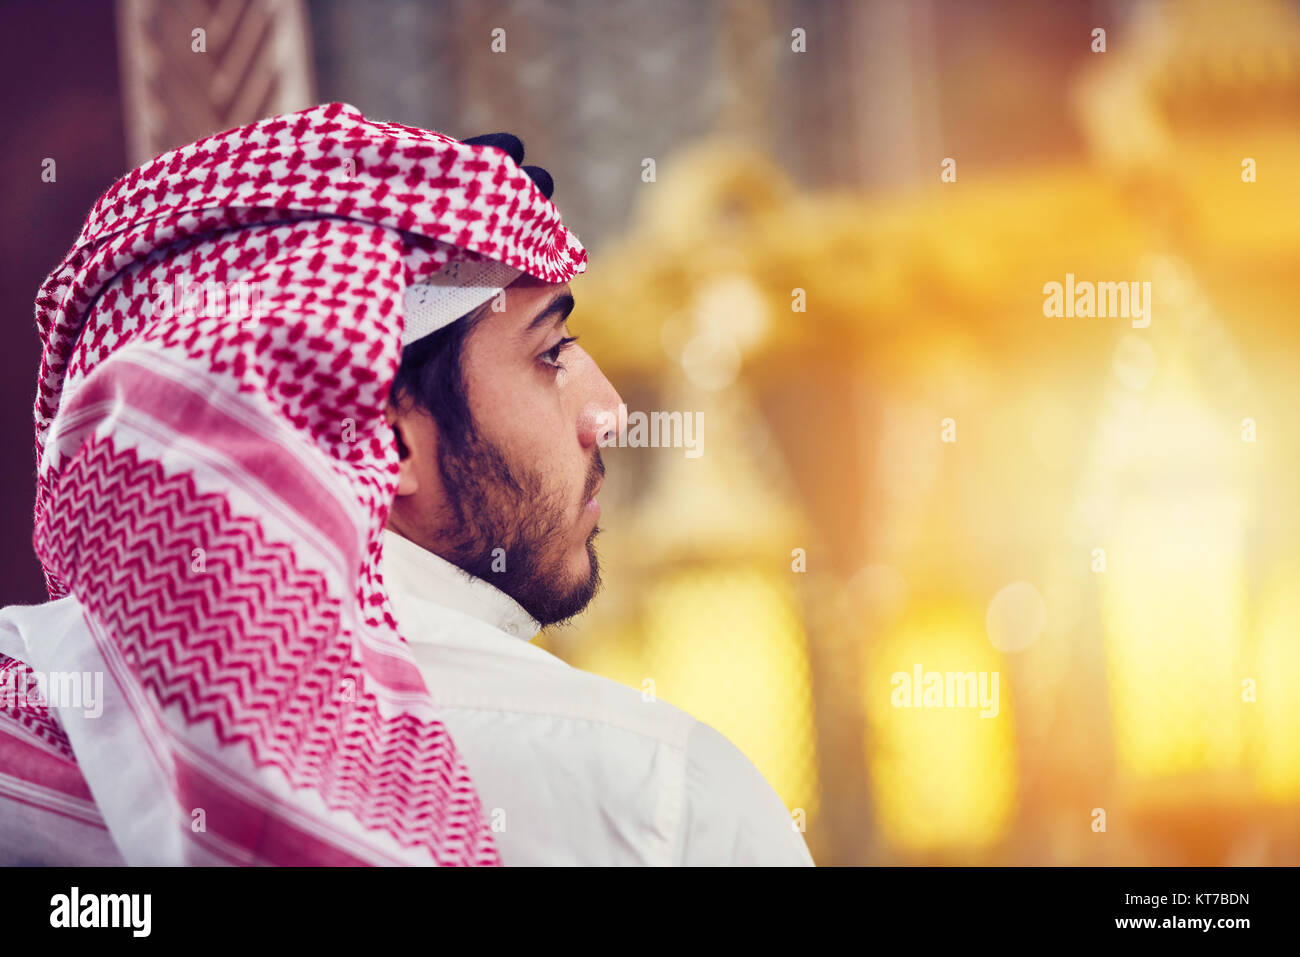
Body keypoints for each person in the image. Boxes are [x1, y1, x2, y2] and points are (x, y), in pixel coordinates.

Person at [0, 104, 813, 866]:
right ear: (387, 440)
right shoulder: (664, 800)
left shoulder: (29, 746)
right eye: (550, 353)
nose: (608, 412)